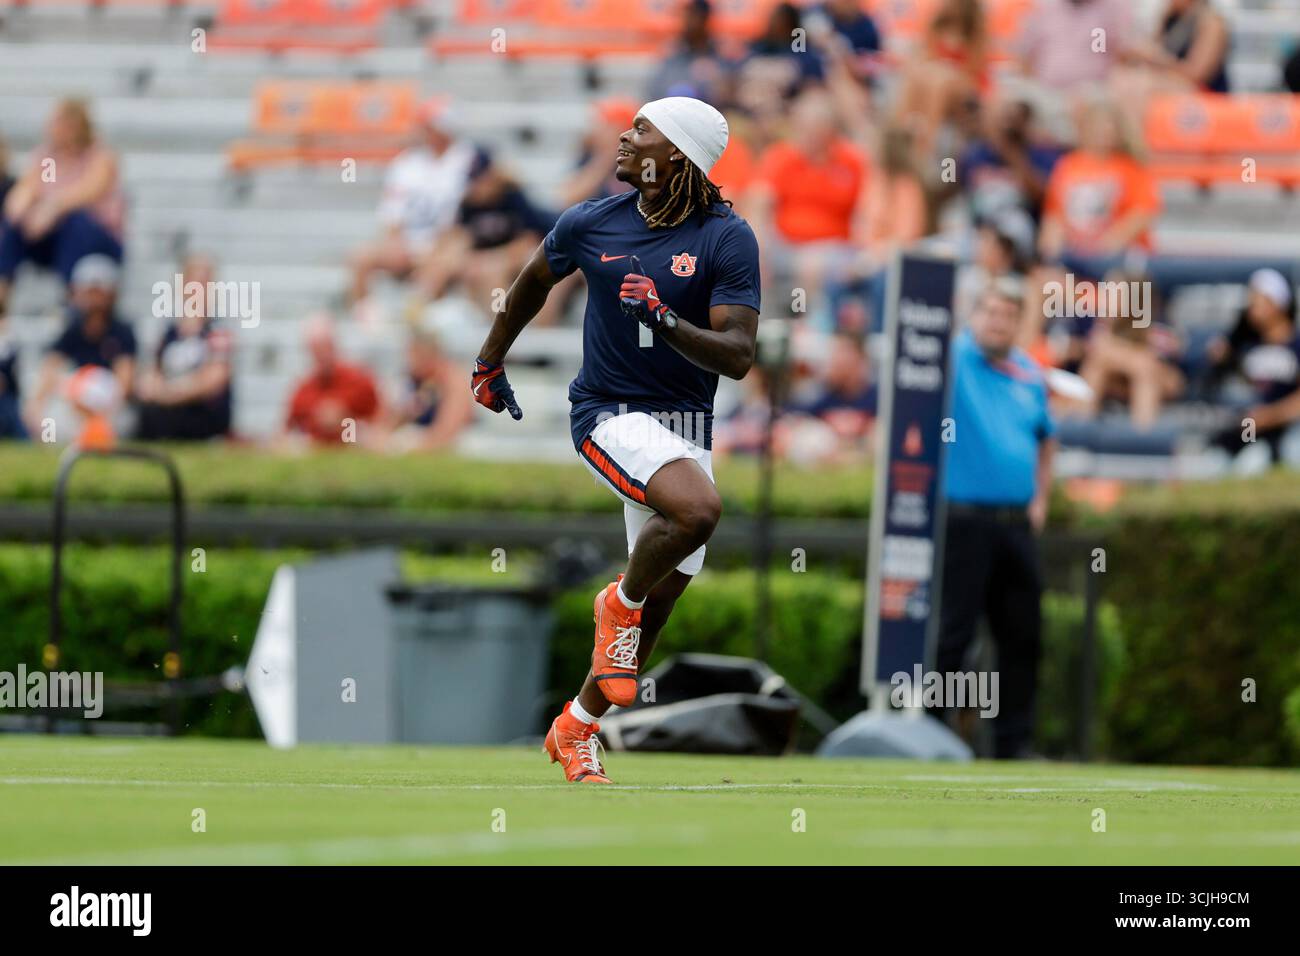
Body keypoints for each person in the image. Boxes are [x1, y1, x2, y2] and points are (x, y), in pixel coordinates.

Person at [471, 96, 760, 784]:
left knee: (657, 606)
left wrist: (663, 320)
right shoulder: (591, 220)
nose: (624, 140)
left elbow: (738, 354)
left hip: (687, 427)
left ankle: (576, 725)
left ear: (678, 155)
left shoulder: (727, 236)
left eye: (641, 130)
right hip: (608, 413)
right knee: (698, 513)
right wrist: (489, 360)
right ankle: (615, 602)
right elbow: (531, 284)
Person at [937, 278, 1055, 759]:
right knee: (954, 632)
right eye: (991, 312)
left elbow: (1047, 437)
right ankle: (934, 733)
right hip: (964, 518)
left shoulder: (1028, 371)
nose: (999, 322)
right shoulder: (956, 359)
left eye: (1009, 314)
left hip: (1014, 523)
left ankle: (1013, 741)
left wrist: (1041, 499)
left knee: (1022, 634)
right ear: (974, 315)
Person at [347, 99, 477, 315]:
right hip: (410, 242)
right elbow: (393, 216)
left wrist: (436, 249)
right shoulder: (406, 163)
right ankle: (368, 325)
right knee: (361, 258)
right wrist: (398, 244)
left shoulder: (469, 161)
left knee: (435, 271)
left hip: (448, 244)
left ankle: (415, 324)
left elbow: (467, 220)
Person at [0, 99, 125, 317]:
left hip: (98, 239)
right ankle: (2, 290)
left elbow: (87, 192)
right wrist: (22, 211)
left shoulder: (99, 156)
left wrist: (52, 208)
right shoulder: (49, 160)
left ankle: (73, 299)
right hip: (56, 237)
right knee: (15, 226)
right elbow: (28, 191)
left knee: (73, 221)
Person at [411, 151, 558, 322]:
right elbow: (460, 236)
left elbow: (530, 240)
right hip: (482, 259)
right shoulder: (469, 204)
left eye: (480, 180)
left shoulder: (513, 198)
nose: (477, 186)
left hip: (517, 258)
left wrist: (494, 258)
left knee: (493, 271)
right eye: (474, 181)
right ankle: (419, 314)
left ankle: (503, 327)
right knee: (446, 261)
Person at [1038, 99, 1160, 279]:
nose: (1102, 132)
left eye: (1108, 126)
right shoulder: (1068, 165)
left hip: (1118, 257)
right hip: (1075, 255)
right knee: (1045, 281)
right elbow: (1054, 214)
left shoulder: (1131, 168)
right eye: (1097, 126)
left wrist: (1105, 245)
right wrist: (1050, 251)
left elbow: (1143, 213)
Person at [24, 254, 135, 440]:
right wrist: (36, 405)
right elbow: (51, 368)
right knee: (52, 423)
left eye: (98, 292)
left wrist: (95, 399)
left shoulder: (121, 332)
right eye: (88, 292)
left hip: (108, 407)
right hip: (75, 405)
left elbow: (124, 382)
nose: (93, 299)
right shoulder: (72, 331)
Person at [135, 254, 234, 441]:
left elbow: (215, 379)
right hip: (168, 406)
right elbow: (149, 374)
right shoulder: (167, 331)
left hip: (200, 413)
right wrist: (155, 389)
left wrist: (171, 393)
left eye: (205, 283)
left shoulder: (219, 330)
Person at [1210, 269, 1300, 463]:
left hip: (1289, 427)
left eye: (1258, 299)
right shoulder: (1246, 345)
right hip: (1250, 429)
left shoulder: (1296, 344)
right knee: (1222, 460)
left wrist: (1271, 415)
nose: (1251, 307)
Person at [284, 314, 381, 446]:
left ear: (335, 346)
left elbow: (381, 423)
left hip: (355, 449)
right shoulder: (303, 389)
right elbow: (285, 433)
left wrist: (345, 420)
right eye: (316, 349)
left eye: (325, 347)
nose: (322, 355)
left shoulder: (359, 381)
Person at [384, 327, 473, 452]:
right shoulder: (412, 380)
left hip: (456, 443)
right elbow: (387, 425)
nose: (410, 360)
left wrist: (417, 447)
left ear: (430, 354)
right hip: (424, 438)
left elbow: (448, 430)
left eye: (415, 354)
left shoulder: (453, 380)